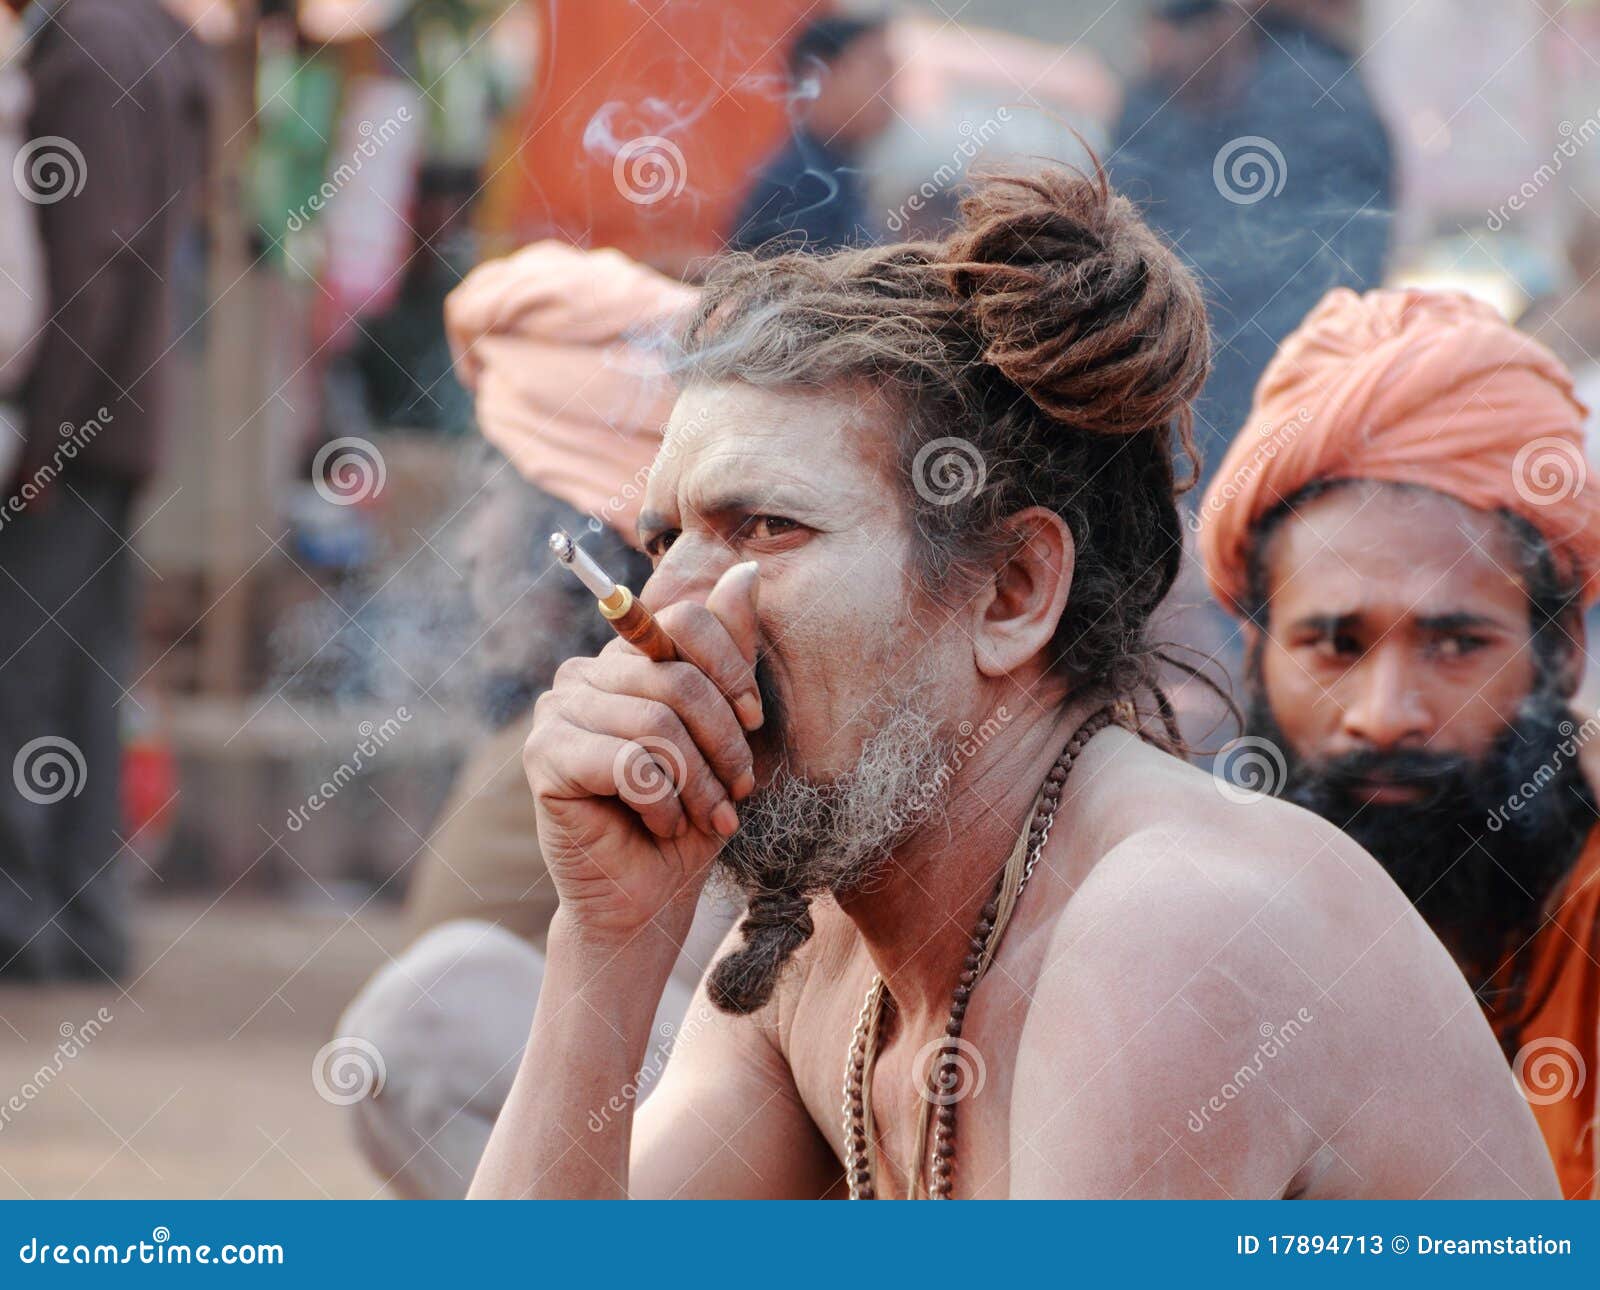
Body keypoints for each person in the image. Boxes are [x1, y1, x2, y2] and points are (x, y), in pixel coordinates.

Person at [468, 166, 1555, 1200]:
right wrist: (605, 944)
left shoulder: (1171, 920)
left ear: (1012, 590)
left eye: (766, 527)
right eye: (665, 539)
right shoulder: (812, 961)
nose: (672, 607)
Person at [336, 243, 737, 1198]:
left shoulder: (607, 719)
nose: (473, 546)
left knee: (421, 1018)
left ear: (591, 549)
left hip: (772, 1133)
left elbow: (436, 987)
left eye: (496, 503)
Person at [1196, 286, 1600, 1198]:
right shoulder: (1172, 911)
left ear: (1561, 652)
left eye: (1456, 644)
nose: (1384, 715)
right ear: (1258, 649)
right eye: (1334, 644)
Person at [0, 0, 209, 980]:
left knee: (29, 686)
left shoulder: (84, 45)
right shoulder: (151, 31)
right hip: (118, 418)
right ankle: (83, 925)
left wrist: (45, 436)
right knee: (79, 681)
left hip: (71, 423)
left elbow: (93, 254)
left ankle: (29, 925)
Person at [1110, 0, 1393, 484]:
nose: (1165, 51)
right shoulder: (1146, 111)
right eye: (1156, 31)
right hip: (1175, 399)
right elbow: (1120, 231)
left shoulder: (1317, 98)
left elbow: (1347, 259)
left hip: (1289, 394)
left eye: (1184, 29)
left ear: (1229, 22)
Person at [728, 15, 894, 254]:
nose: (890, 88)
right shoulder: (797, 186)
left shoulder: (839, 169)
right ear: (817, 76)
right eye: (878, 70)